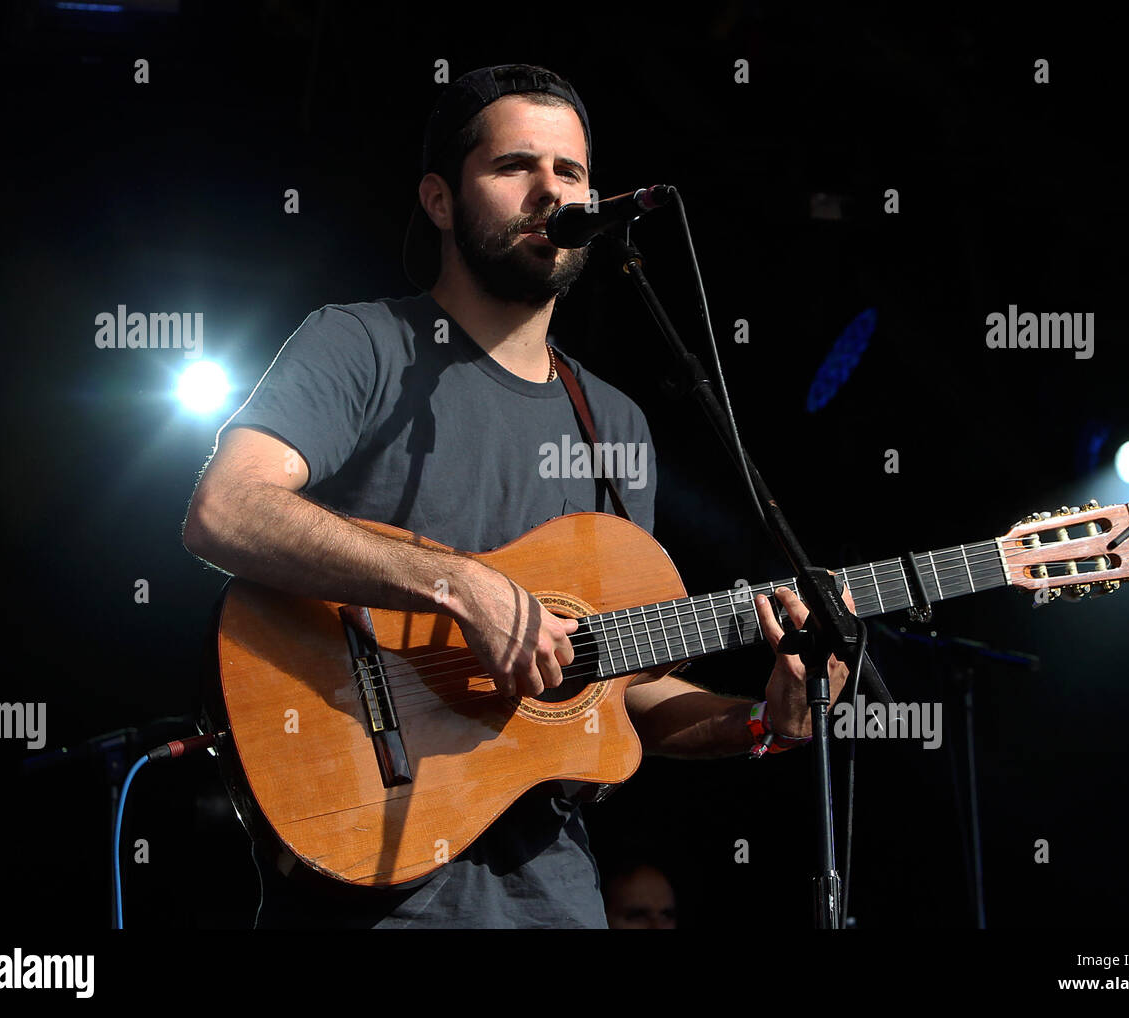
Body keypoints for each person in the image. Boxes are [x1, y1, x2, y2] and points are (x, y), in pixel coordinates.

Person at [181, 63, 853, 929]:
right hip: (372, 885)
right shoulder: (360, 344)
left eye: (569, 174)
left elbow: (611, 690)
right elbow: (225, 508)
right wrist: (461, 586)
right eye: (515, 167)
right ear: (439, 199)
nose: (550, 190)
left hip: (554, 898)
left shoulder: (614, 422)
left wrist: (767, 718)